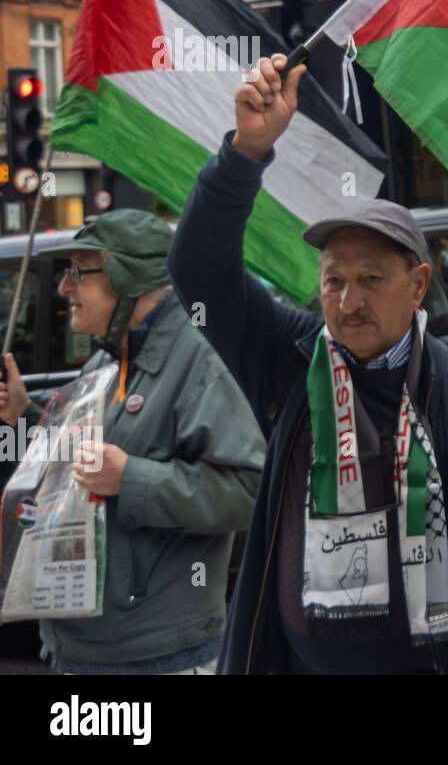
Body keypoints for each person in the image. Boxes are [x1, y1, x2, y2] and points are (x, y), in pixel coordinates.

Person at [167, 52, 448, 675]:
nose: (348, 302)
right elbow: (197, 275)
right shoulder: (291, 363)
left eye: (371, 279)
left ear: (417, 284)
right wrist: (245, 152)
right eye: (334, 282)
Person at [0, 210, 264, 674]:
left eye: (79, 272)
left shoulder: (201, 357)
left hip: (157, 655)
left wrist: (132, 479)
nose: (65, 288)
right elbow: (82, 462)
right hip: (77, 645)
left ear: (127, 277)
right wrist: (25, 414)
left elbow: (250, 490)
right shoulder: (105, 362)